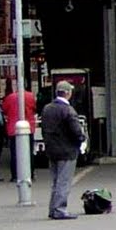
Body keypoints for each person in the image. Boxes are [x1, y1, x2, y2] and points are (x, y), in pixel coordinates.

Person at [43, 81, 85, 220]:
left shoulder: (47, 108)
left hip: (52, 149)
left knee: (55, 181)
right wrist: (81, 139)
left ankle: (53, 209)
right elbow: (76, 131)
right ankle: (60, 209)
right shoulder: (68, 110)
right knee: (64, 181)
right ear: (68, 93)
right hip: (67, 150)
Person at [2, 85, 37, 183]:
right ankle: (30, 174)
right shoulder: (30, 96)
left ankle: (15, 175)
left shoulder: (10, 97)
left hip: (13, 128)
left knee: (14, 153)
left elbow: (4, 110)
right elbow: (34, 108)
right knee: (29, 152)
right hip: (28, 127)